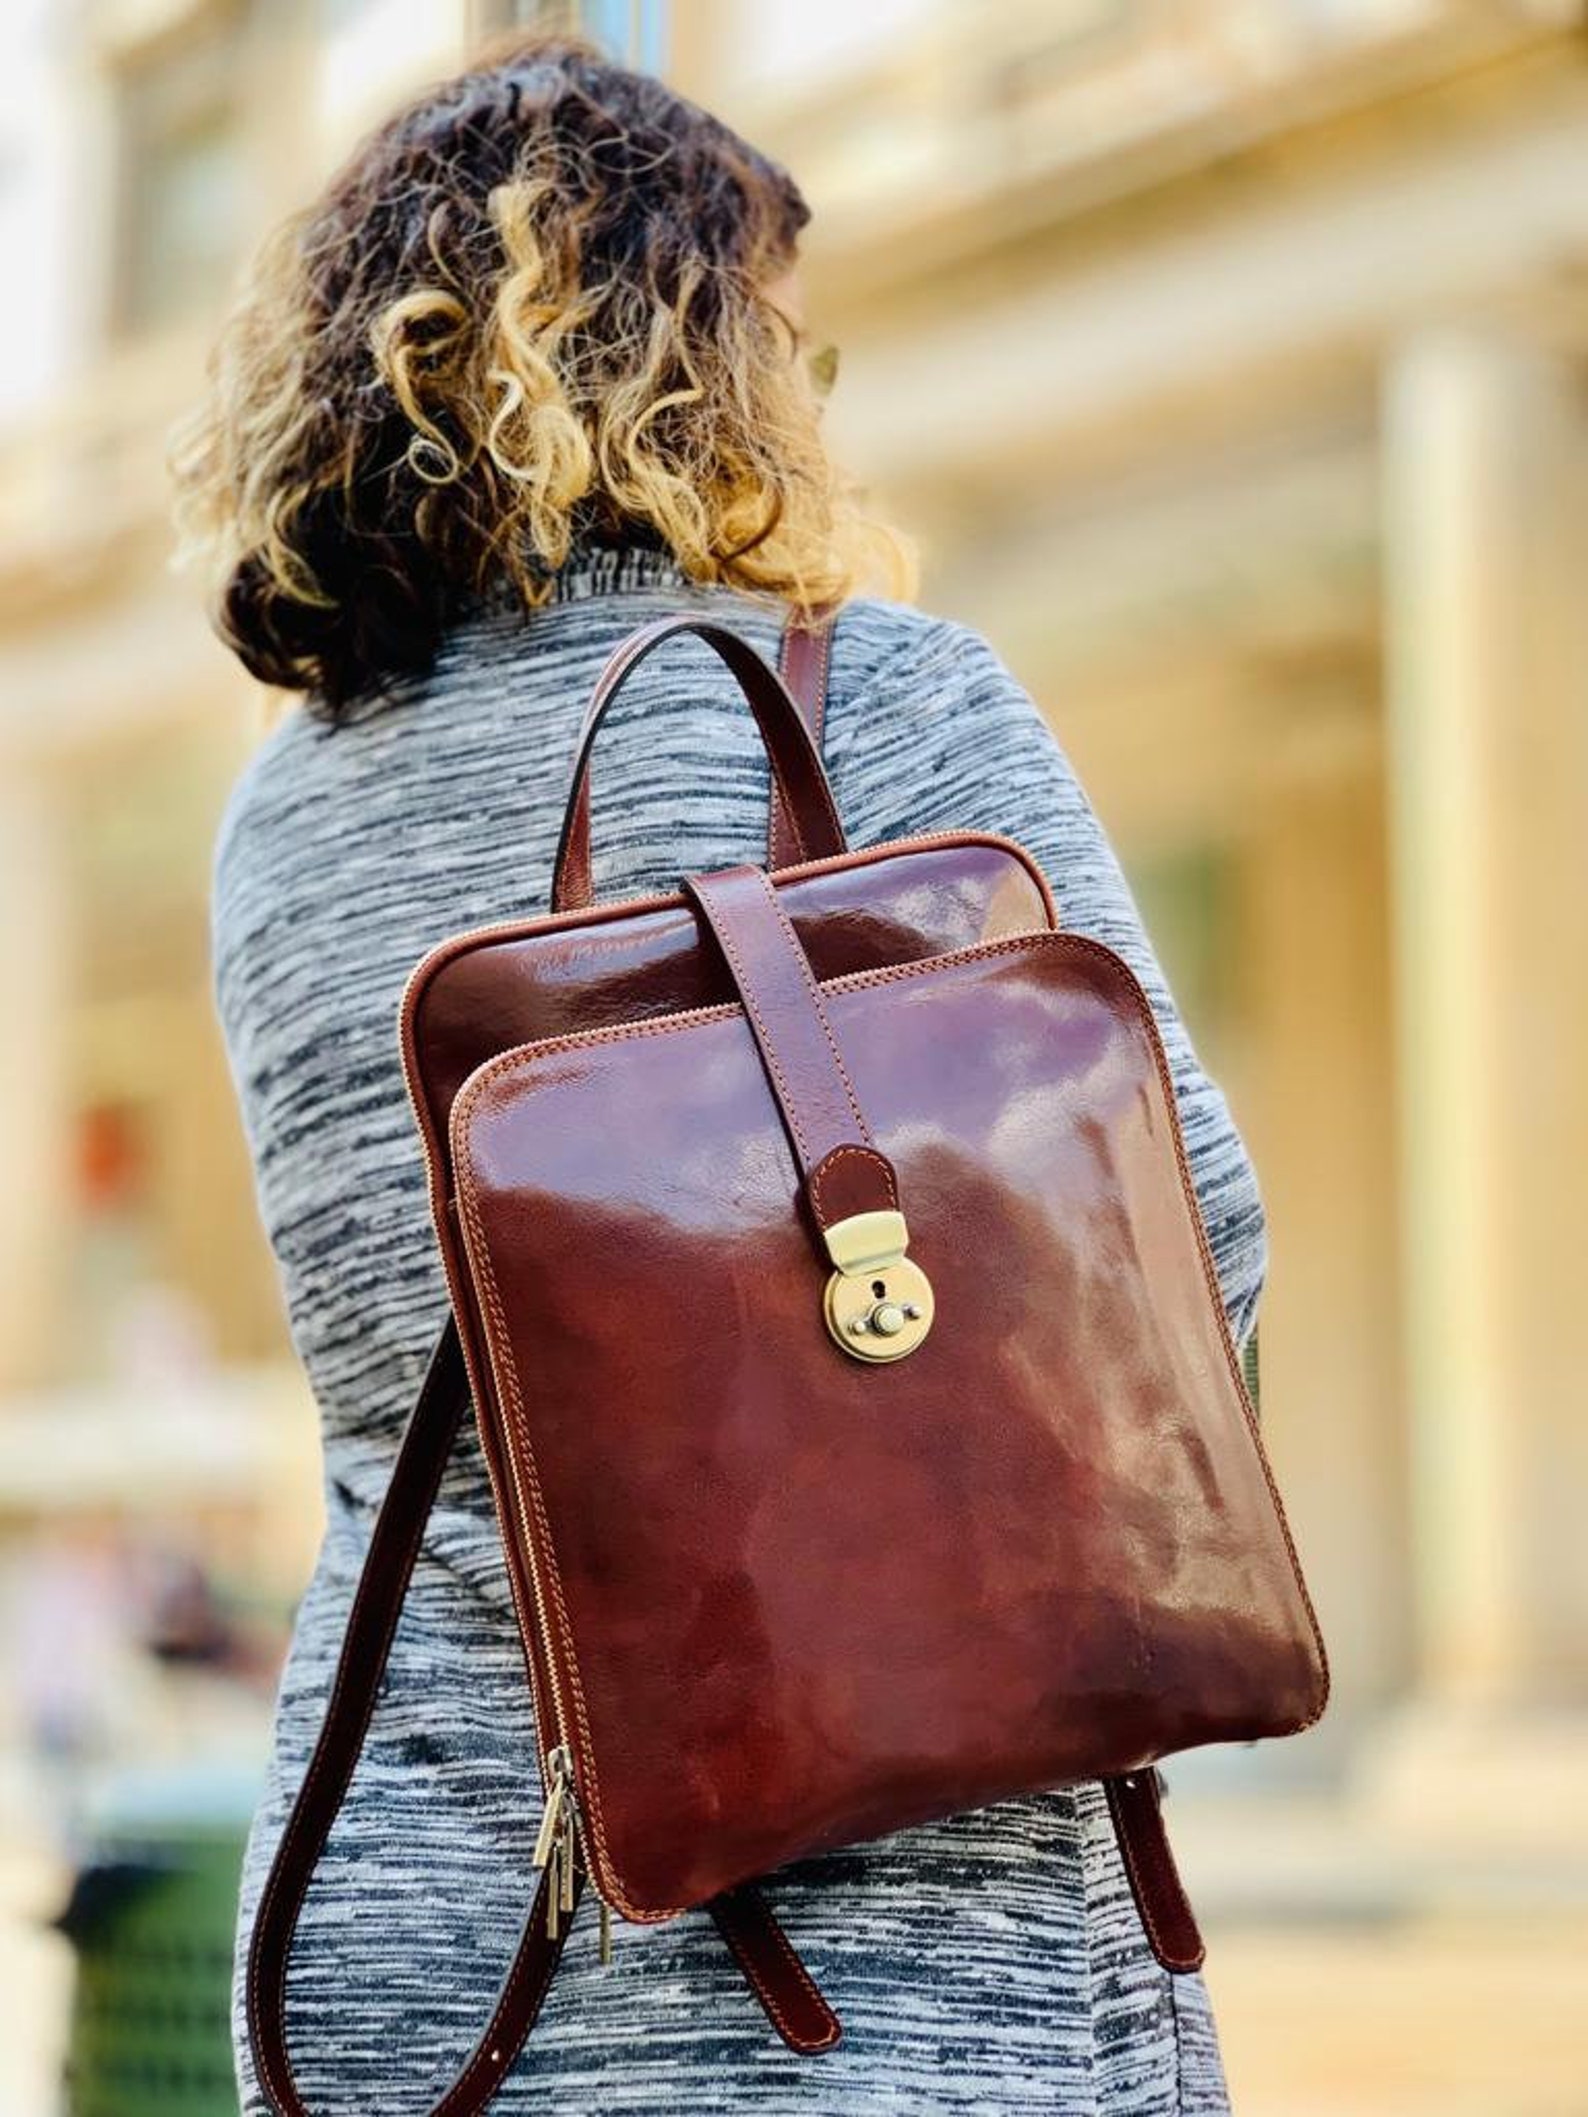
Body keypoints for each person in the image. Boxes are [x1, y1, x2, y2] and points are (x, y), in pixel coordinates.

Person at [177, 30, 1265, 2116]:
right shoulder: (878, 699)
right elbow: (1184, 1236)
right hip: (891, 1918)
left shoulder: (280, 815)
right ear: (695, 357)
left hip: (421, 1902)